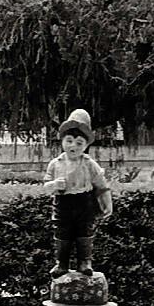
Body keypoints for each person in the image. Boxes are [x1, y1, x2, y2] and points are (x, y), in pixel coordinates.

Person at [44, 106, 114, 280]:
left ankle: (85, 262)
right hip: (63, 204)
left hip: (84, 202)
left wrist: (107, 203)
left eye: (79, 143)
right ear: (62, 141)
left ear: (85, 145)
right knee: (62, 233)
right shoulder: (56, 163)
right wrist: (54, 184)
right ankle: (62, 263)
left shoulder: (89, 164)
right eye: (69, 140)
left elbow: (102, 185)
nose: (73, 146)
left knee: (84, 232)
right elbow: (45, 186)